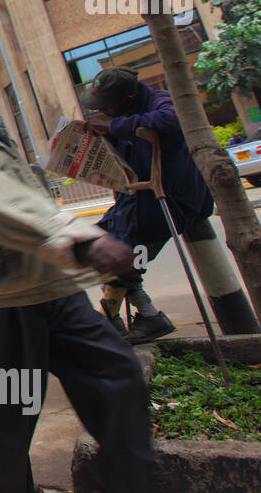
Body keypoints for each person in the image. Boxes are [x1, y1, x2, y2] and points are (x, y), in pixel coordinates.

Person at [0, 20, 236, 493]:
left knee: (118, 376)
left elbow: (18, 185)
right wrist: (73, 236)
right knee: (8, 418)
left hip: (49, 281)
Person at [83, 67, 215, 343]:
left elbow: (171, 119)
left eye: (108, 105)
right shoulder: (118, 113)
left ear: (128, 97)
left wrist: (113, 126)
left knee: (125, 255)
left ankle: (140, 316)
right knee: (93, 245)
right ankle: (123, 317)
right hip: (133, 201)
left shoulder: (159, 101)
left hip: (169, 202)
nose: (104, 111)